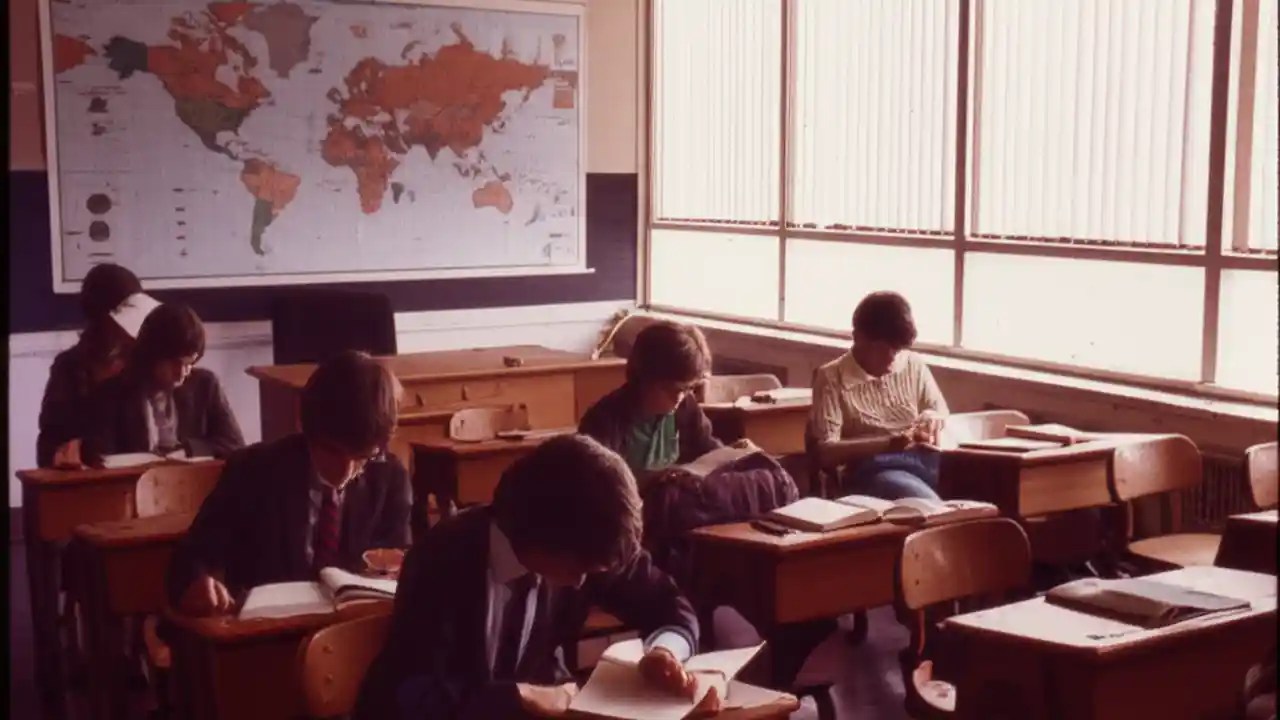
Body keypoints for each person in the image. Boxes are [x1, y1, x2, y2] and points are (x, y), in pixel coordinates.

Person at [354, 434, 716, 720]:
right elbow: (412, 697)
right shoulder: (443, 558)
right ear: (537, 532)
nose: (580, 583)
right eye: (577, 569)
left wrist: (665, 650)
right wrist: (521, 696)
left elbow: (669, 605)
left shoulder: (594, 541)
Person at [166, 350, 412, 616]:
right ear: (305, 428)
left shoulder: (389, 477)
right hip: (267, 635)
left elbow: (400, 564)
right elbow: (190, 560)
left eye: (362, 457)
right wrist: (198, 584)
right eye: (331, 452)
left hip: (354, 633)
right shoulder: (252, 471)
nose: (344, 471)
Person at [810, 291, 949, 500]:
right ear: (859, 339)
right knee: (928, 504)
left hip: (926, 460)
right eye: (887, 349)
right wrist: (888, 443)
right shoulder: (831, 378)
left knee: (989, 488)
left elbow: (940, 411)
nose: (894, 358)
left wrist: (931, 416)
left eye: (899, 349)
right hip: (876, 470)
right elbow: (826, 452)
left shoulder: (912, 364)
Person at [82, 302, 244, 463]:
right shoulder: (113, 393)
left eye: (189, 363)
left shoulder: (206, 385)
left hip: (194, 481)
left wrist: (188, 451)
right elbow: (100, 455)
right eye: (174, 363)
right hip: (134, 484)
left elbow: (234, 444)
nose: (182, 373)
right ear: (152, 355)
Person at [578, 320, 726, 482]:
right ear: (644, 378)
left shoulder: (686, 407)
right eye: (669, 388)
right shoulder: (604, 421)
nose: (679, 398)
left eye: (687, 389)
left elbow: (708, 448)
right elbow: (601, 485)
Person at [37, 263, 144, 468]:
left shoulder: (146, 361)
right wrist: (62, 455)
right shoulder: (68, 367)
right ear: (102, 317)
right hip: (87, 482)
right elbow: (49, 443)